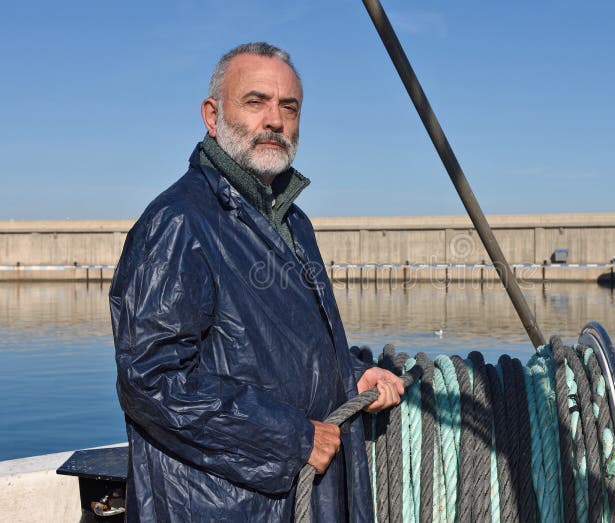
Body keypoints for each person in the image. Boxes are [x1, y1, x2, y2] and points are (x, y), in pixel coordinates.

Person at [109, 42, 404, 522]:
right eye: (255, 101)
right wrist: (293, 438)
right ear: (212, 115)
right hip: (219, 506)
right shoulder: (178, 223)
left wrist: (351, 375)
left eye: (289, 107)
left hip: (300, 494)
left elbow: (278, 351)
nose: (275, 120)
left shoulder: (291, 221)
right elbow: (152, 381)